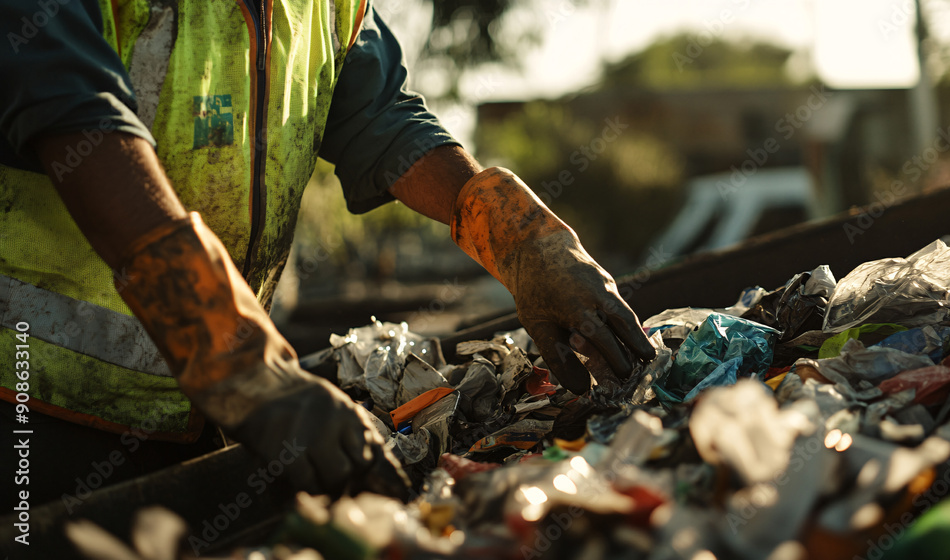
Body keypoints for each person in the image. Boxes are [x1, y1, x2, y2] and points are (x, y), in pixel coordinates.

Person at [0, 0, 654, 506]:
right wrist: (239, 360)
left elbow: (380, 118)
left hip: (199, 406)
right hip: (34, 405)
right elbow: (78, 123)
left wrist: (523, 243)